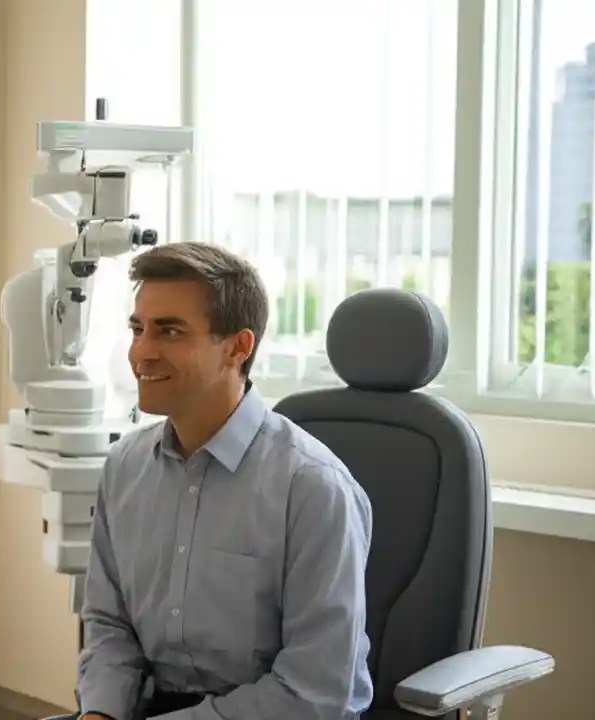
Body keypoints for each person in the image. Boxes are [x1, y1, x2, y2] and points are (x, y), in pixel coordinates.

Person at [74, 242, 373, 720]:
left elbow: (315, 692)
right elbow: (110, 628)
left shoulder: (314, 489)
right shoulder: (124, 466)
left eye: (169, 331)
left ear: (238, 347)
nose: (142, 353)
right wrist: (100, 714)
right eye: (138, 328)